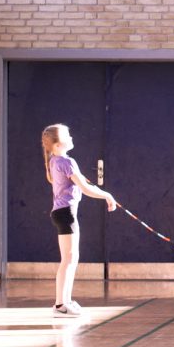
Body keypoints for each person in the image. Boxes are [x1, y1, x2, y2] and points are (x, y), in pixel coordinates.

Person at [41, 124, 116, 317]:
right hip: (66, 213)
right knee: (69, 259)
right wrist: (107, 195)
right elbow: (85, 188)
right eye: (68, 135)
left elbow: (81, 182)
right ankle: (60, 304)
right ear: (57, 145)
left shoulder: (55, 161)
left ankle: (65, 300)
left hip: (62, 212)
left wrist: (105, 194)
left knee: (70, 258)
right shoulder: (67, 161)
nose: (72, 137)